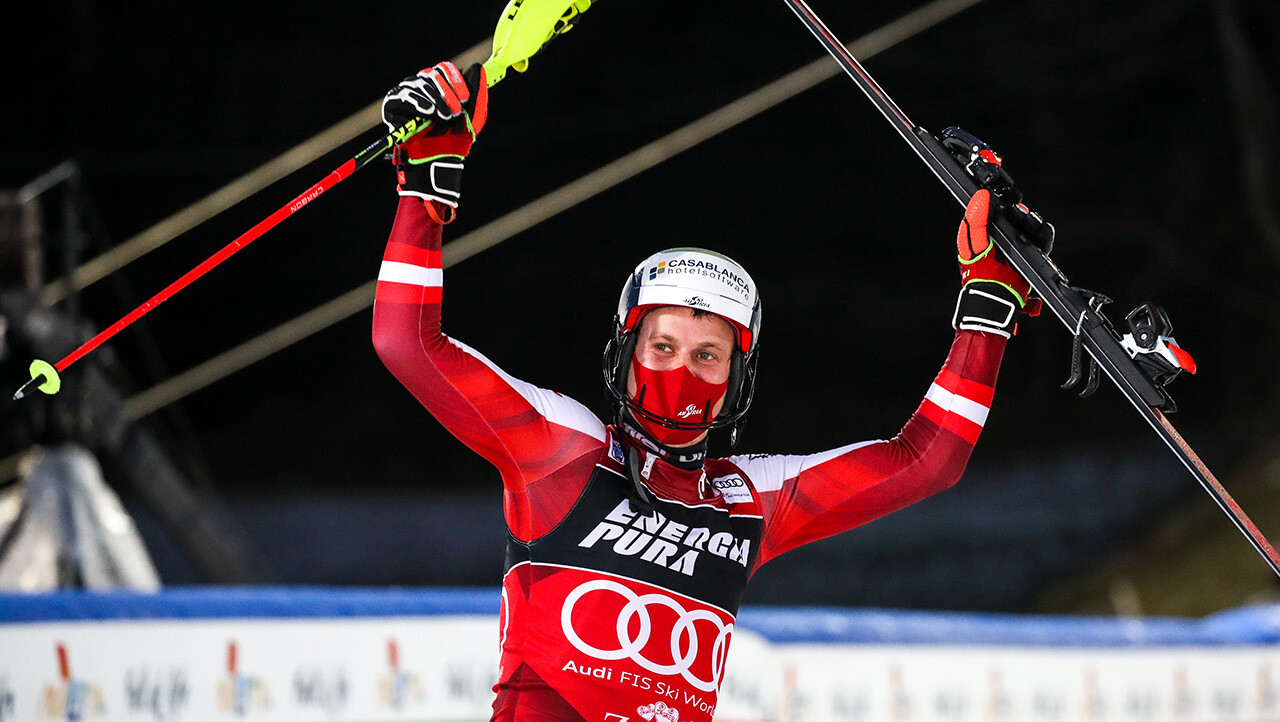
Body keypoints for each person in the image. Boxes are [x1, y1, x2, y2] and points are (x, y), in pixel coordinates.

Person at [372, 62, 1052, 721]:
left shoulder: (748, 501)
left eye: (707, 356)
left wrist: (985, 316)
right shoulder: (565, 450)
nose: (681, 372)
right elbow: (408, 344)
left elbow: (927, 461)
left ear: (736, 378)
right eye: (661, 347)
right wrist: (426, 194)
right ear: (625, 351)